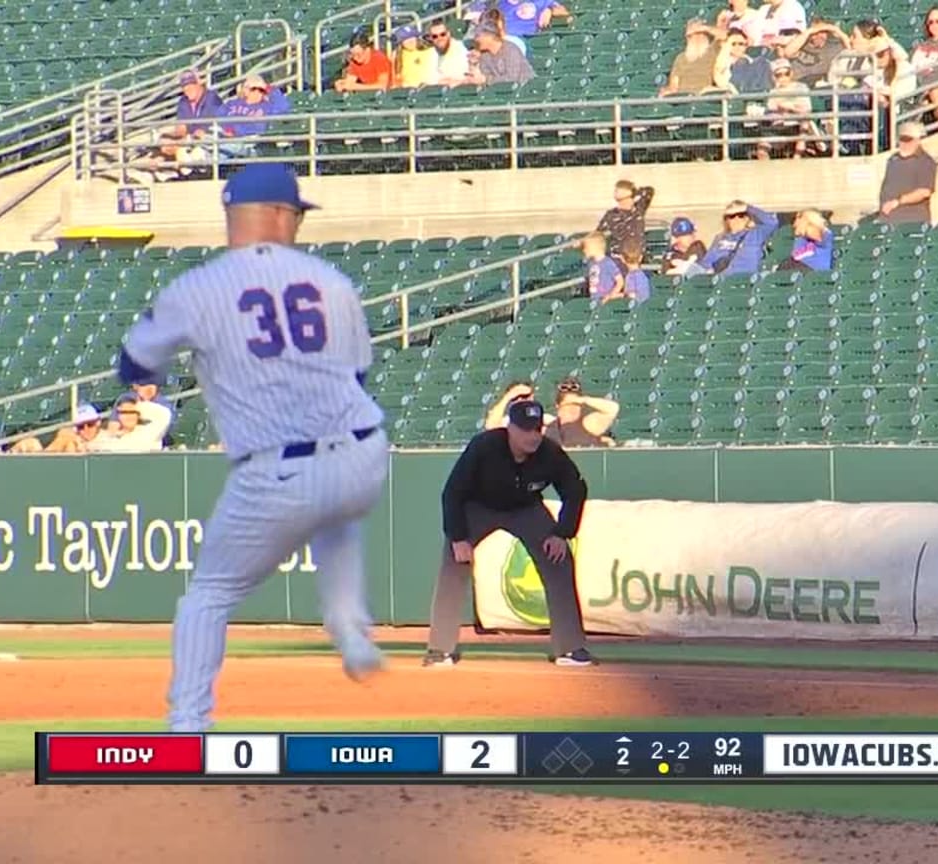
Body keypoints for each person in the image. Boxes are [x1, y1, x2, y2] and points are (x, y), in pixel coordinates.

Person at [118, 163, 391, 733]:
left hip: (277, 471)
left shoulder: (197, 288)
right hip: (364, 453)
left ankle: (187, 725)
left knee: (208, 596)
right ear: (275, 215)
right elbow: (359, 377)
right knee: (336, 511)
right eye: (294, 214)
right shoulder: (330, 280)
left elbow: (134, 363)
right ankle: (351, 630)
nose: (297, 225)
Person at [426, 399, 593, 667]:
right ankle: (439, 649)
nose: (533, 436)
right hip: (478, 506)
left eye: (537, 429)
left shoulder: (550, 453)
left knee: (559, 560)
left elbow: (575, 490)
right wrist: (458, 537)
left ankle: (571, 648)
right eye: (525, 429)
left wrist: (562, 533)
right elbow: (452, 492)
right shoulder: (484, 446)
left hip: (525, 508)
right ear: (510, 428)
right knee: (454, 564)